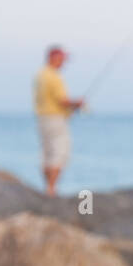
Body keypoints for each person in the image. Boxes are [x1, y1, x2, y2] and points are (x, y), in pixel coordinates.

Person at [33, 46, 83, 195]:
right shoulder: (53, 76)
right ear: (53, 58)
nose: (63, 63)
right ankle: (51, 189)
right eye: (62, 59)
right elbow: (62, 100)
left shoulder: (40, 75)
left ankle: (48, 187)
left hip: (42, 119)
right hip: (55, 118)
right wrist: (77, 104)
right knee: (59, 152)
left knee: (47, 153)